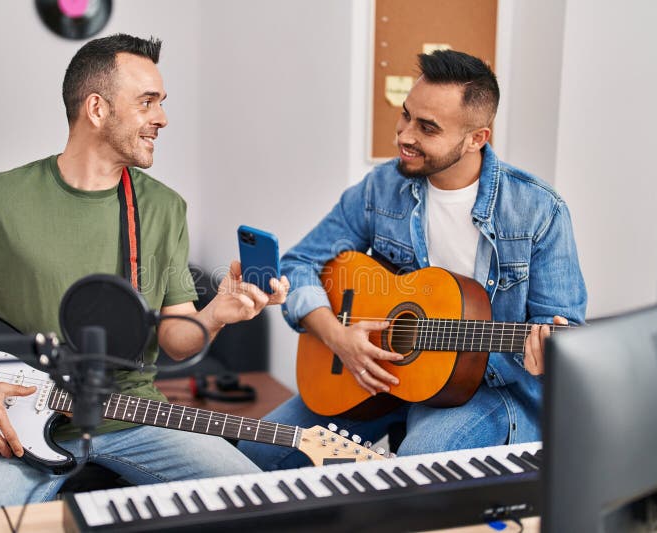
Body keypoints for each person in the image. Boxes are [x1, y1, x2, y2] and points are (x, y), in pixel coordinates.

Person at [0, 33, 288, 512]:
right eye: (147, 103)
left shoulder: (163, 208)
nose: (162, 118)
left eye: (161, 102)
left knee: (263, 503)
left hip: (133, 416)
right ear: (97, 109)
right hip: (16, 420)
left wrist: (219, 312)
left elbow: (178, 339)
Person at [238, 49, 586, 469]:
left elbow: (564, 332)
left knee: (415, 465)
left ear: (477, 138)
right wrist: (337, 336)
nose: (404, 135)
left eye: (427, 128)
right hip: (374, 379)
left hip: (488, 390)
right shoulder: (381, 187)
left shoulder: (538, 210)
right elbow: (298, 265)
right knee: (258, 452)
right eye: (406, 116)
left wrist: (548, 355)